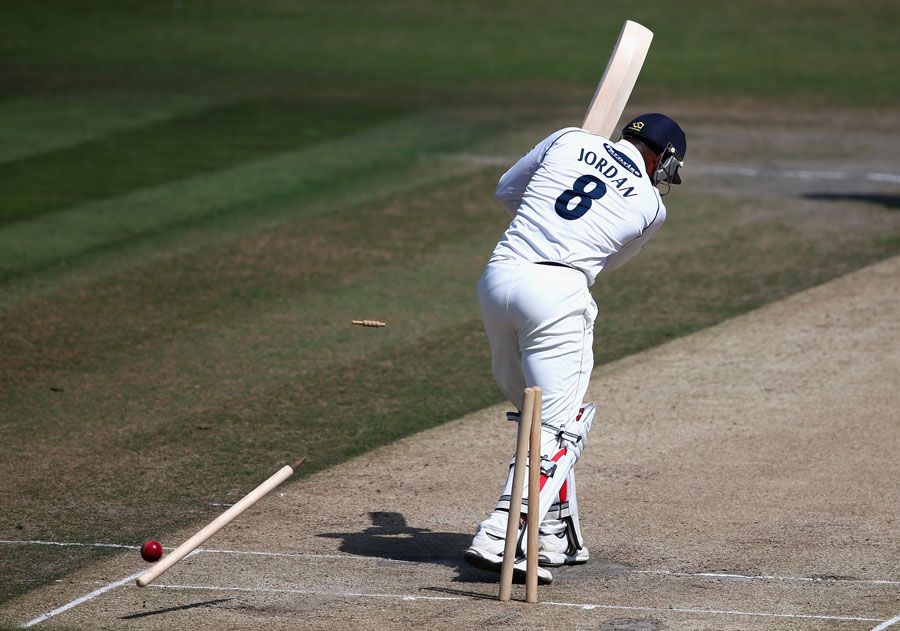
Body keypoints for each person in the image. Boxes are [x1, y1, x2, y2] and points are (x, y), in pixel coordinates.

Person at [463, 113, 687, 584]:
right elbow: (611, 258)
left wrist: (540, 222)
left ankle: (550, 532)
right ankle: (500, 534)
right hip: (557, 291)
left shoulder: (567, 139)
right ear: (662, 158)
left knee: (534, 417)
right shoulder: (651, 207)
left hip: (500, 273)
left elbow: (507, 190)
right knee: (559, 427)